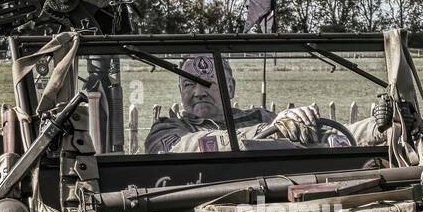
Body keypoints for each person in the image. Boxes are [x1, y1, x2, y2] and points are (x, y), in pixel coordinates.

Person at [144, 55, 358, 154]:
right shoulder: (168, 129)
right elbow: (180, 148)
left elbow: (336, 137)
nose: (199, 92)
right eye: (188, 84)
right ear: (180, 91)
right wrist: (273, 131)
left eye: (209, 84)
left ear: (231, 88)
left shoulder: (260, 116)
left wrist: (378, 127)